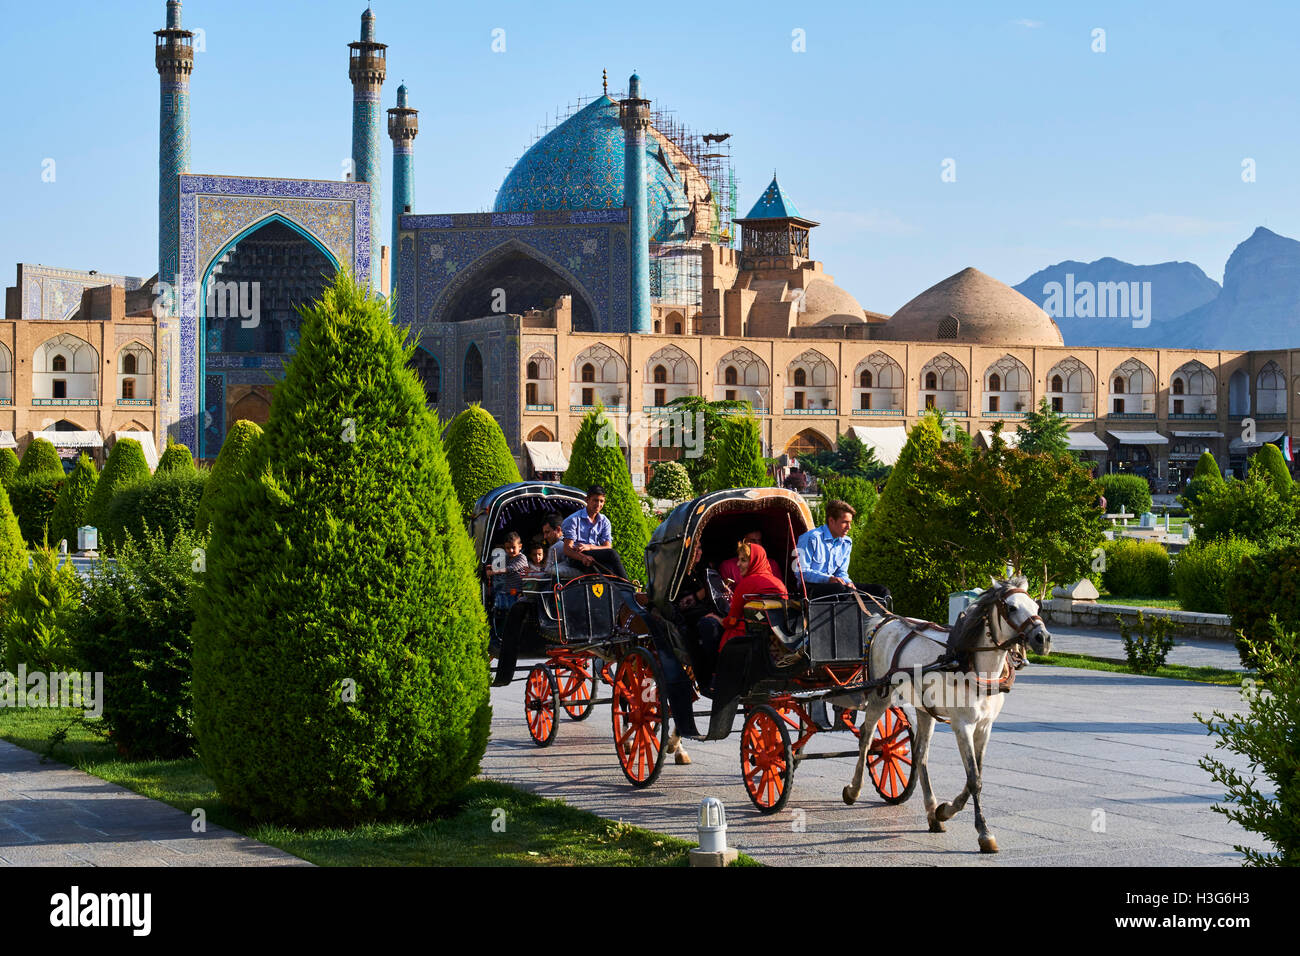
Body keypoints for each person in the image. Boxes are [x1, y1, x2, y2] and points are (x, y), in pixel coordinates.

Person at [712, 541, 788, 651]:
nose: (738, 564)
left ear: (754, 561)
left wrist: (718, 619)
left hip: (747, 639)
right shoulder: (779, 584)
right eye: (739, 559)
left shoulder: (746, 584)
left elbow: (732, 620)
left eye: (743, 560)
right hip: (776, 640)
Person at [561, 484, 631, 580]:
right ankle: (628, 586)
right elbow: (567, 549)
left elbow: (607, 547)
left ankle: (625, 588)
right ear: (587, 500)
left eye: (601, 501)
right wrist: (583, 558)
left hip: (594, 553)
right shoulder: (573, 520)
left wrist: (589, 547)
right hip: (577, 556)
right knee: (612, 555)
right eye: (595, 500)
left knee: (611, 567)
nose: (598, 504)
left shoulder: (604, 521)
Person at [796, 499, 858, 599]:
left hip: (836, 586)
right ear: (831, 521)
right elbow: (800, 572)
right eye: (845, 522)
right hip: (810, 588)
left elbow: (841, 572)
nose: (849, 527)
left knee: (880, 591)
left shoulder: (846, 542)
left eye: (850, 523)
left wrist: (848, 582)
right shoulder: (810, 538)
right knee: (841, 590)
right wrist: (828, 579)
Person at [487, 531, 530, 614]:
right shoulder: (507, 557)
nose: (510, 550)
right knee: (504, 611)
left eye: (513, 547)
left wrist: (493, 572)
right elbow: (499, 567)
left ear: (520, 546)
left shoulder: (522, 558)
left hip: (518, 592)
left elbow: (509, 569)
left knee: (514, 612)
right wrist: (490, 567)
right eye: (507, 548)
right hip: (508, 591)